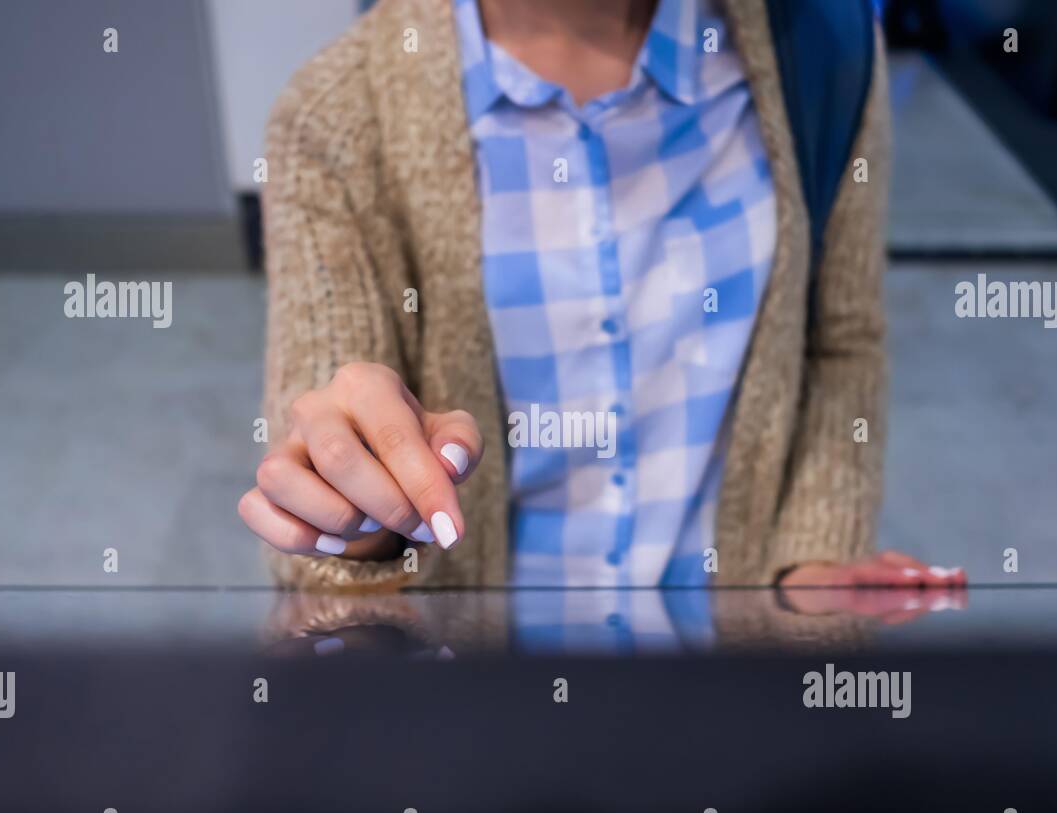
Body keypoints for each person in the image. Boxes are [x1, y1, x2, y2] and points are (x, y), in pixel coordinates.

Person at [238, 0, 966, 605]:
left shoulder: (819, 51)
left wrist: (808, 563)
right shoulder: (334, 116)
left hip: (733, 686)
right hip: (482, 708)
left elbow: (840, 342)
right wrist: (362, 514)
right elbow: (321, 545)